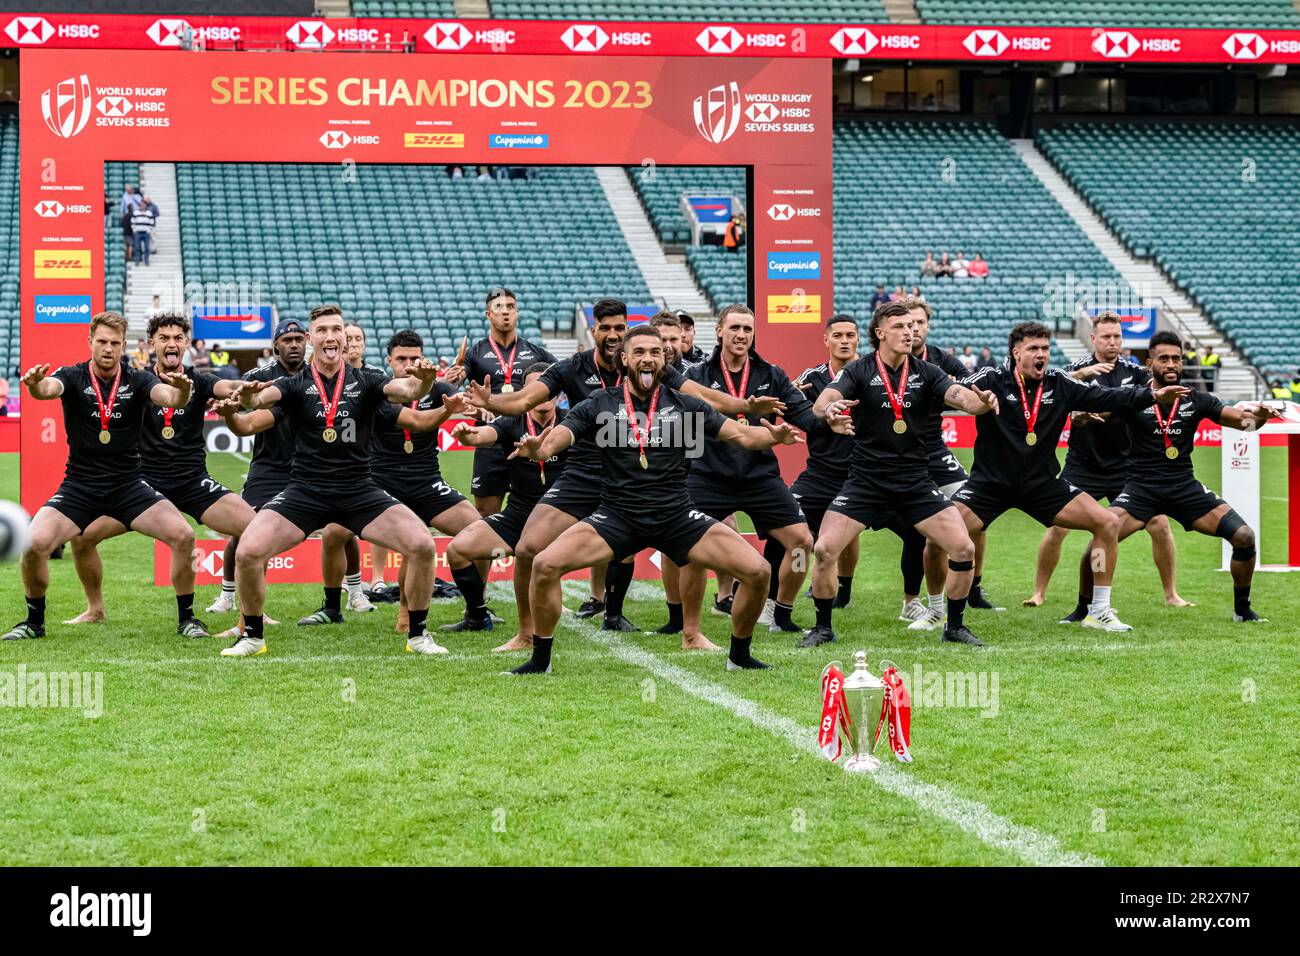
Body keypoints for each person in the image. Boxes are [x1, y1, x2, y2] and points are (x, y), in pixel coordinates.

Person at [462, 299, 784, 644]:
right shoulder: (572, 368)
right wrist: (492, 403)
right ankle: (527, 634)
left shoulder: (659, 369)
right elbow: (525, 400)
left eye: (620, 328)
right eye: (607, 328)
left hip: (646, 480)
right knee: (529, 549)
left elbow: (706, 401)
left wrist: (745, 406)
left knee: (691, 545)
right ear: (595, 331)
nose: (614, 335)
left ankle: (687, 631)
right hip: (584, 472)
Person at [505, 325, 807, 675]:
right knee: (544, 565)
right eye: (639, 352)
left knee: (758, 571)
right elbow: (556, 440)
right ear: (624, 359)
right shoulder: (598, 404)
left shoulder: (687, 404)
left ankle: (739, 656)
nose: (647, 358)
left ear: (664, 359)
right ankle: (540, 660)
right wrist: (537, 448)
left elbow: (739, 434)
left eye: (655, 352)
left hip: (676, 515)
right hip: (617, 516)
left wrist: (773, 436)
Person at [218, 304, 444, 658]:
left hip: (359, 489)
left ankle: (417, 635)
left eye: (336, 330)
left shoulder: (367, 380)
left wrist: (427, 380)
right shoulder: (293, 384)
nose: (330, 336)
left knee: (422, 546)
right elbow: (251, 415)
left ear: (343, 337)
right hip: (306, 490)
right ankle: (253, 637)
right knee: (247, 551)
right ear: (312, 339)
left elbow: (410, 391)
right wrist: (238, 406)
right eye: (322, 330)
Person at [950, 321, 1189, 633]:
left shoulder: (1058, 383)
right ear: (1016, 352)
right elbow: (952, 392)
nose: (1041, 355)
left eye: (1045, 349)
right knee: (941, 533)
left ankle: (1098, 610)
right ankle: (935, 610)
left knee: (1107, 522)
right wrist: (972, 402)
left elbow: (1110, 398)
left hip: (1042, 485)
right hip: (989, 485)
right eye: (1033, 348)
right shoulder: (992, 377)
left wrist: (1153, 396)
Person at [808, 300, 1001, 647]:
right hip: (865, 481)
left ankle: (954, 626)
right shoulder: (859, 370)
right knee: (823, 550)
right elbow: (823, 402)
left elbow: (962, 399)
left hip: (915, 481)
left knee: (963, 548)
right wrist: (829, 409)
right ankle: (822, 628)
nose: (909, 332)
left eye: (912, 327)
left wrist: (982, 402)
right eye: (899, 327)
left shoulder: (927, 372)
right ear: (879, 333)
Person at [5, 311, 199, 642]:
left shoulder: (138, 380)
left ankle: (188, 619)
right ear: (90, 341)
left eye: (115, 343)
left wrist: (181, 392)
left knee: (184, 536)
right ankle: (33, 623)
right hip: (80, 485)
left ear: (124, 345)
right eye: (102, 342)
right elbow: (48, 389)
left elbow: (168, 397)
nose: (108, 349)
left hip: (130, 485)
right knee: (34, 544)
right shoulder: (73, 375)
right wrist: (36, 385)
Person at [63, 313, 253, 631]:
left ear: (186, 343)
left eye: (178, 337)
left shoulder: (200, 380)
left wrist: (243, 388)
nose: (171, 343)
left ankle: (248, 618)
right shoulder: (136, 382)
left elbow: (227, 386)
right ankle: (95, 608)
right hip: (142, 485)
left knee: (253, 529)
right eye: (164, 337)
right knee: (81, 538)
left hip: (192, 480)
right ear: (152, 343)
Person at [1084, 331, 1279, 622]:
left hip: (1184, 486)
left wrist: (1260, 417)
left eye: (1176, 358)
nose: (1171, 364)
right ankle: (1085, 608)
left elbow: (1245, 424)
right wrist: (1087, 415)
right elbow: (1099, 411)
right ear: (1150, 364)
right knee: (1100, 539)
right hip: (1141, 488)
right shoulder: (1135, 397)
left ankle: (1242, 609)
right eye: (1164, 359)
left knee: (1244, 536)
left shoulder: (1197, 399)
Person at [680, 305, 829, 643]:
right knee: (691, 549)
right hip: (708, 476)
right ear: (719, 330)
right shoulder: (697, 375)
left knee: (801, 542)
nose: (741, 335)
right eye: (734, 328)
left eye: (747, 329)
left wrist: (826, 420)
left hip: (760, 477)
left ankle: (781, 613)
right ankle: (690, 630)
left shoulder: (771, 374)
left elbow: (803, 414)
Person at [1023, 312, 1187, 615]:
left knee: (1160, 524)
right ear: (1093, 339)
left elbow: (1149, 397)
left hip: (1126, 467)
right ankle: (1039, 591)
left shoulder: (1134, 371)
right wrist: (1080, 413)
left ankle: (1171, 593)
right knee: (1056, 528)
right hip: (1084, 464)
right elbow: (1054, 393)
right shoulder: (1076, 370)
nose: (1113, 342)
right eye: (1107, 337)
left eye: (1117, 337)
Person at [890, 297, 999, 631]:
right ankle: (911, 601)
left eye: (919, 322)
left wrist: (971, 393)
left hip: (933, 449)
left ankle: (973, 587)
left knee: (973, 510)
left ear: (927, 325)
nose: (914, 329)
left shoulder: (941, 361)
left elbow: (971, 386)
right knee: (915, 531)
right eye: (907, 323)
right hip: (891, 455)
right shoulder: (887, 362)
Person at [445, 364, 569, 647]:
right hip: (519, 515)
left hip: (560, 516)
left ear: (557, 393)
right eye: (537, 387)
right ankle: (478, 615)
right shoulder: (512, 421)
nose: (544, 394)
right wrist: (467, 435)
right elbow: (483, 435)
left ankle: (604, 609)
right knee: (458, 550)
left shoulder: (569, 422)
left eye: (549, 388)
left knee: (528, 553)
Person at [204, 320, 306, 631]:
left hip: (307, 466)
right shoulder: (257, 378)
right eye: (287, 339)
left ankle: (350, 594)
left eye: (298, 338)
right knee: (245, 530)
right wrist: (231, 409)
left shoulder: (318, 376)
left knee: (338, 530)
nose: (293, 344)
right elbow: (243, 415)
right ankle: (228, 593)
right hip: (269, 466)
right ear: (276, 346)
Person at [442, 288, 556, 520]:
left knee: (538, 509)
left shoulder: (536, 353)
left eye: (510, 307)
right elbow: (457, 388)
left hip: (526, 434)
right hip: (492, 435)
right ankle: (485, 553)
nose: (505, 312)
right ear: (488, 315)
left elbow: (561, 379)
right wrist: (456, 383)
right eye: (498, 307)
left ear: (517, 313)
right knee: (485, 511)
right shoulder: (475, 353)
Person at [789, 315, 862, 613]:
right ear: (826, 340)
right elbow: (797, 410)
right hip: (820, 471)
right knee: (795, 528)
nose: (844, 341)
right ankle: (785, 595)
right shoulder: (812, 377)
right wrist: (790, 393)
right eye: (838, 335)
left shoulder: (870, 373)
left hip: (861, 470)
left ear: (858, 339)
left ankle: (844, 586)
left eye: (850, 335)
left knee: (850, 532)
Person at [130, 199, 155, 265]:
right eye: (141, 205)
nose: (142, 206)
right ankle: (137, 261)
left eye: (143, 205)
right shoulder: (136, 212)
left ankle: (146, 261)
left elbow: (152, 222)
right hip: (138, 233)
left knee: (147, 248)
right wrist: (134, 230)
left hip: (146, 233)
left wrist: (149, 230)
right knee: (137, 247)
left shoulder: (149, 213)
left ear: (146, 205)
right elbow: (132, 222)